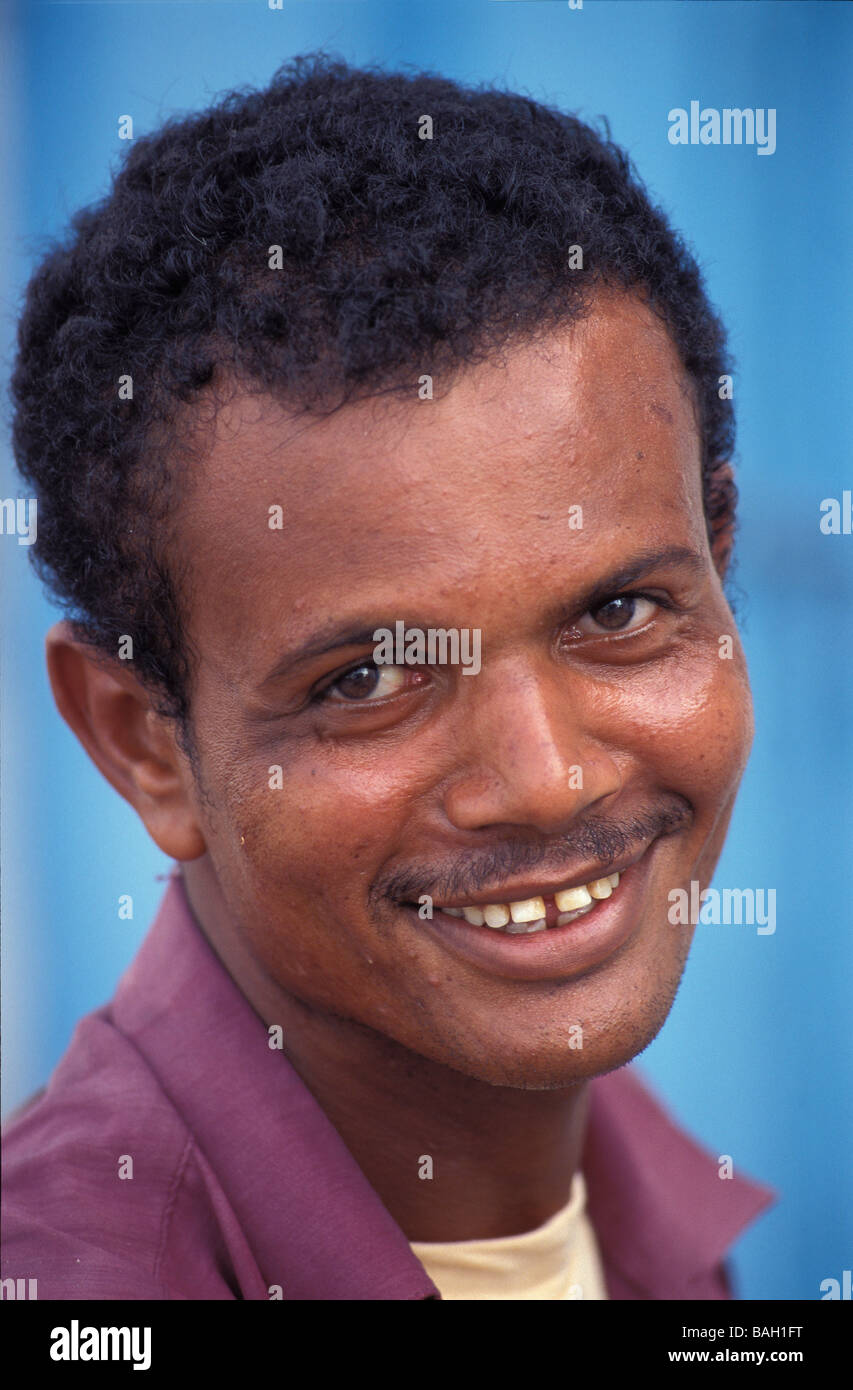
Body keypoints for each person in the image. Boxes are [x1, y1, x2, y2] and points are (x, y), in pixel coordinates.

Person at [1, 54, 773, 1301]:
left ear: (719, 567)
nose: (543, 779)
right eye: (367, 681)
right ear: (143, 737)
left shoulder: (648, 1219)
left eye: (620, 612)